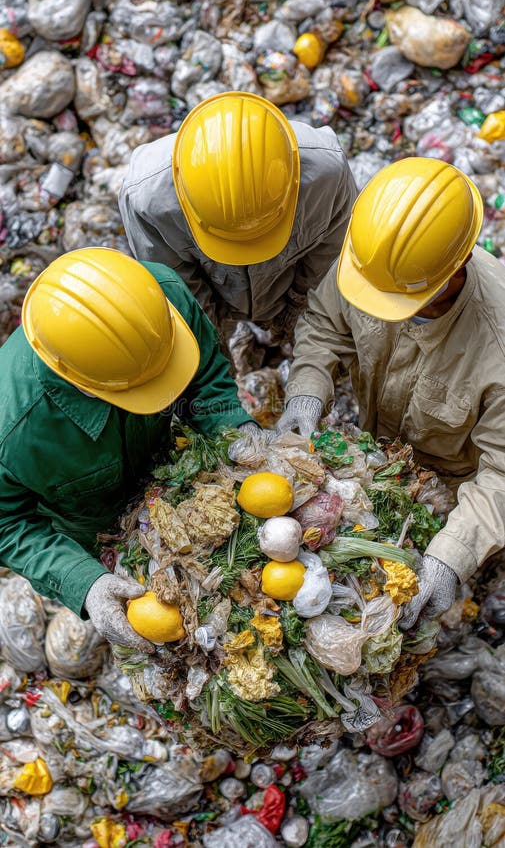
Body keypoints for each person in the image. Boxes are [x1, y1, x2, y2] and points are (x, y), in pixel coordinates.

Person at [276, 156, 504, 628]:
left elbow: (500, 477)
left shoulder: (496, 347)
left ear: (454, 268)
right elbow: (324, 326)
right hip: (377, 452)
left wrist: (450, 557)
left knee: (419, 607)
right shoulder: (374, 260)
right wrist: (307, 391)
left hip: (452, 488)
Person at [0, 248, 257, 652]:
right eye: (136, 390)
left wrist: (235, 433)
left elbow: (205, 378)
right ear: (81, 383)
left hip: (172, 480)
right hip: (92, 522)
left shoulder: (159, 300)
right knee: (143, 628)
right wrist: (85, 583)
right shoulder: (12, 427)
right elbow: (7, 525)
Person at [119, 90, 357, 348]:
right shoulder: (148, 200)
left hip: (284, 285)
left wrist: (300, 304)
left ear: (294, 181)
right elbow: (180, 286)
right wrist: (211, 345)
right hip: (218, 292)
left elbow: (330, 254)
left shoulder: (327, 175)